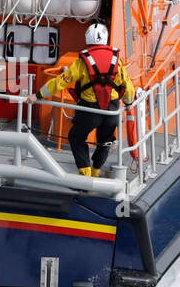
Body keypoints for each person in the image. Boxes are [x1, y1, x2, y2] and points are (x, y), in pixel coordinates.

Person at [29, 23, 135, 176]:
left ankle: (84, 173)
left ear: (87, 39)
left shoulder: (82, 62)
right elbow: (128, 87)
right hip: (111, 111)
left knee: (76, 137)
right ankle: (95, 170)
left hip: (89, 111)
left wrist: (37, 95)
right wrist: (129, 104)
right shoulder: (116, 62)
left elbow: (60, 82)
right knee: (105, 141)